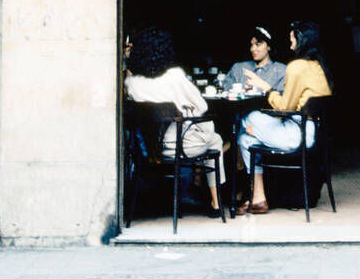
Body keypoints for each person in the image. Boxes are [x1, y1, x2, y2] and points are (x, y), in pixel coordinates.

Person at [124, 26, 225, 216]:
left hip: (147, 150)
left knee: (212, 138)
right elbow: (202, 107)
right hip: (179, 147)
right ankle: (216, 202)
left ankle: (192, 190)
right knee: (216, 139)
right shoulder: (175, 76)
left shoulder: (130, 83)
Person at [234, 20, 333, 215]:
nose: (290, 45)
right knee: (246, 140)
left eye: (292, 40)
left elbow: (285, 107)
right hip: (312, 132)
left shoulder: (297, 66)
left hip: (297, 134)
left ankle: (241, 189)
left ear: (301, 40)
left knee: (248, 117)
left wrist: (266, 88)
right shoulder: (320, 66)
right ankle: (259, 199)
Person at [221, 25, 287, 93]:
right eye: (251, 45)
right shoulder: (238, 68)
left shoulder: (281, 71)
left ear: (269, 47)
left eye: (258, 44)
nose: (252, 49)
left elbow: (283, 100)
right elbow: (224, 92)